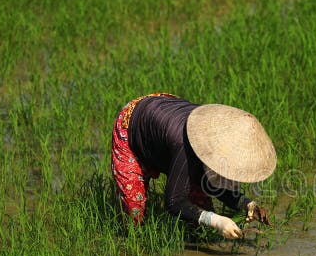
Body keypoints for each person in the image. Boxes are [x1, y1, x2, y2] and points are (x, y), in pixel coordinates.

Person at [111, 93, 276, 238]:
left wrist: (247, 204)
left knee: (198, 217)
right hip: (134, 121)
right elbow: (174, 201)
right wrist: (216, 221)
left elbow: (215, 184)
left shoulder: (213, 139)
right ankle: (133, 242)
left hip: (165, 111)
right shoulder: (185, 146)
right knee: (134, 213)